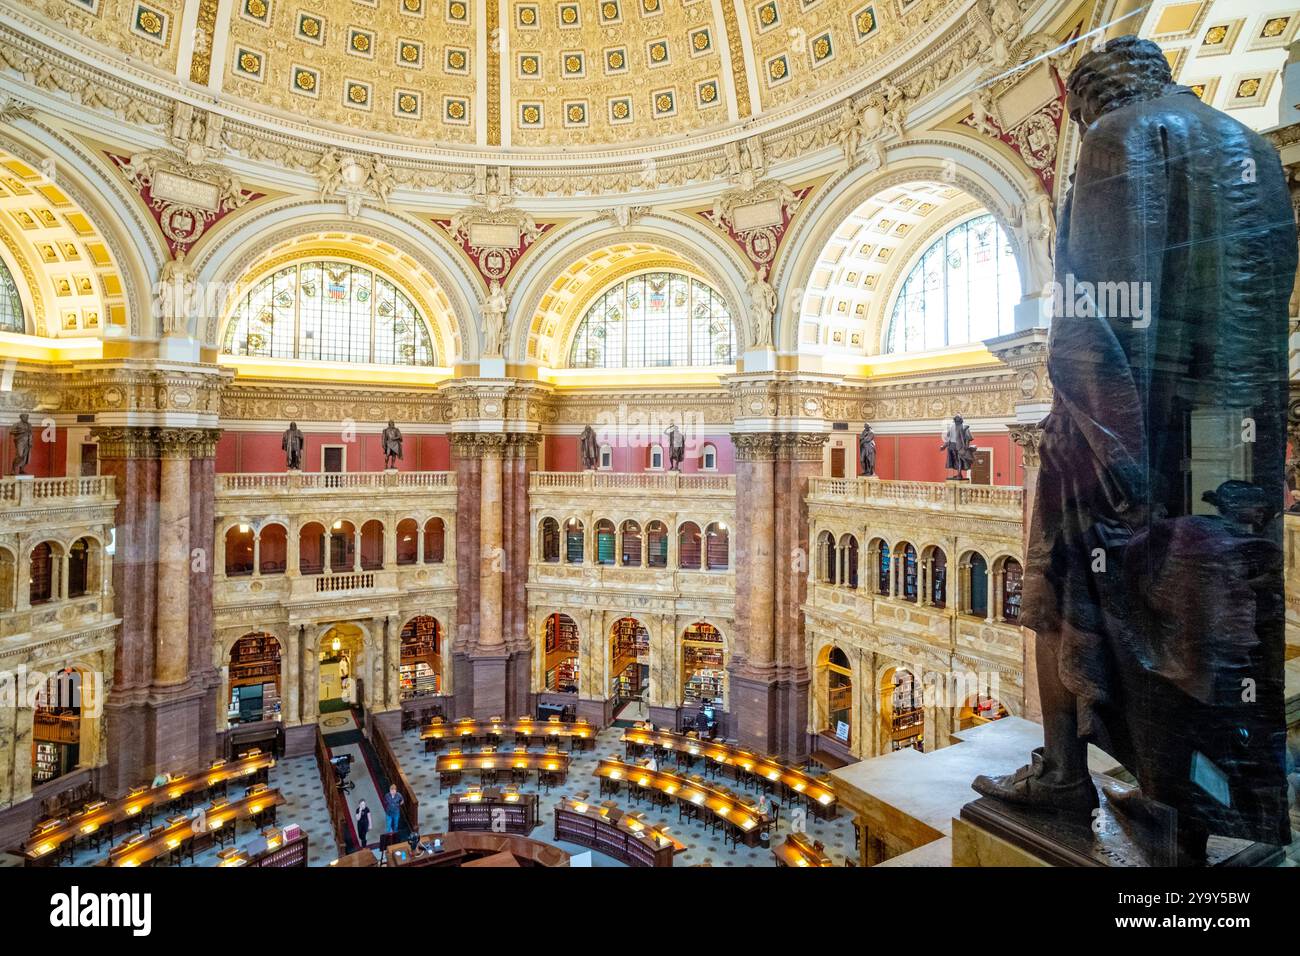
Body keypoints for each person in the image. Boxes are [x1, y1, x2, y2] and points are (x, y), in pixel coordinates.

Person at [971, 36, 1295, 863]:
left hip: (1123, 433)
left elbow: (1093, 317)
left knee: (1051, 592)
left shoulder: (1120, 136)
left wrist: (1110, 464)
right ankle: (1191, 810)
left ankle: (1063, 772)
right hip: (1225, 441)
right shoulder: (1249, 144)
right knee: (1209, 613)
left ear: (1090, 98)